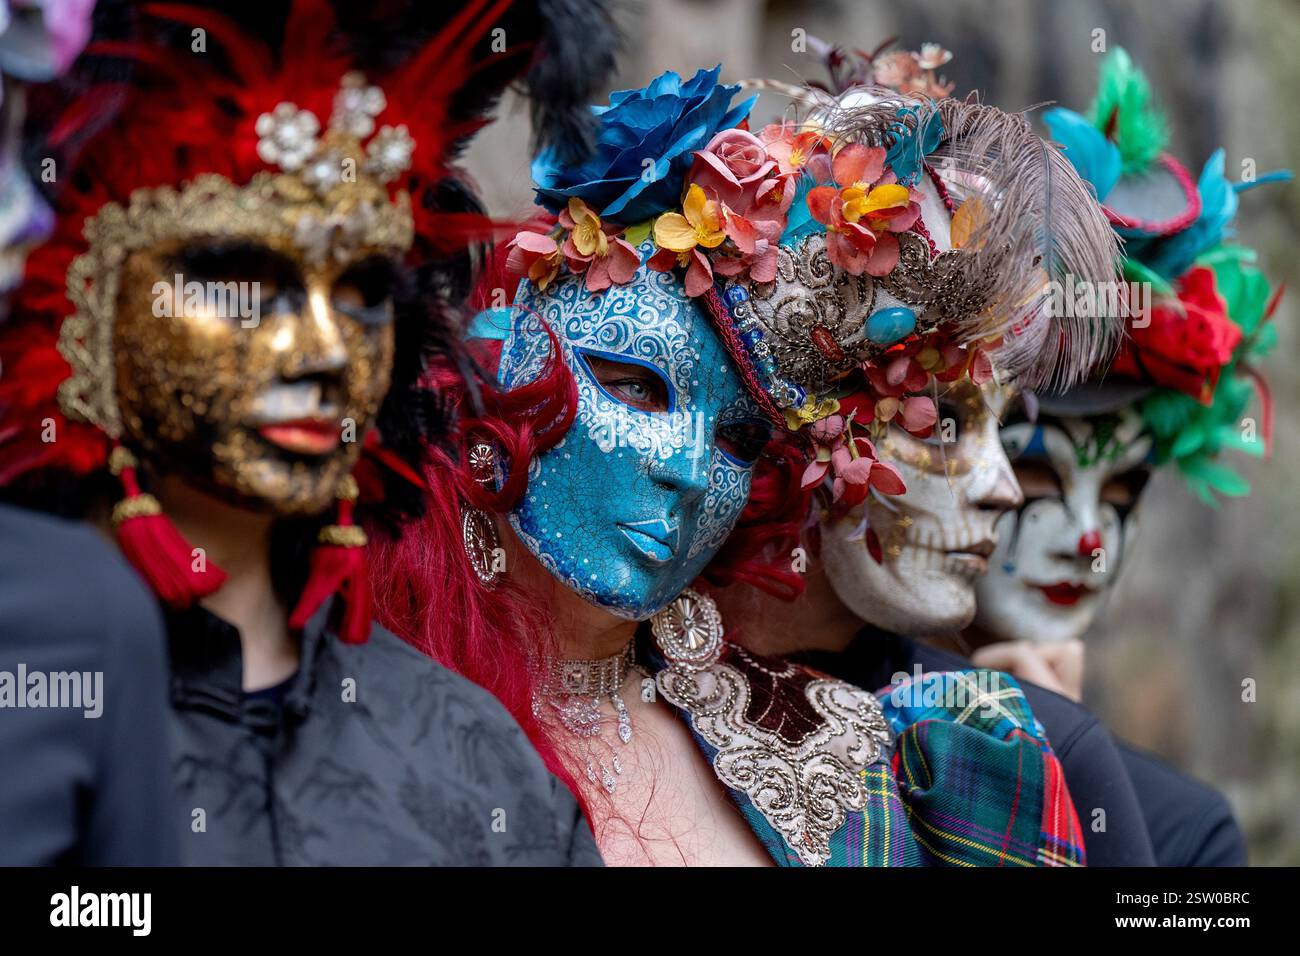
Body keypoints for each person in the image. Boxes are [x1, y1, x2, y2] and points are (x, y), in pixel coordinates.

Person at [372, 64, 1119, 866]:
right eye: (636, 386)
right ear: (507, 358)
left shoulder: (857, 760)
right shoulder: (357, 703)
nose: (691, 471)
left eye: (737, 438)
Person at [0, 0, 616, 866]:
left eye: (362, 291)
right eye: (242, 283)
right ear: (81, 305)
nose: (323, 351)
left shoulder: (487, 775)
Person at [963, 47, 1286, 867]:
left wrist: (1070, 775)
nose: (1087, 539)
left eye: (1122, 492)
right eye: (1037, 470)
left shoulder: (1184, 835)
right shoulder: (811, 748)